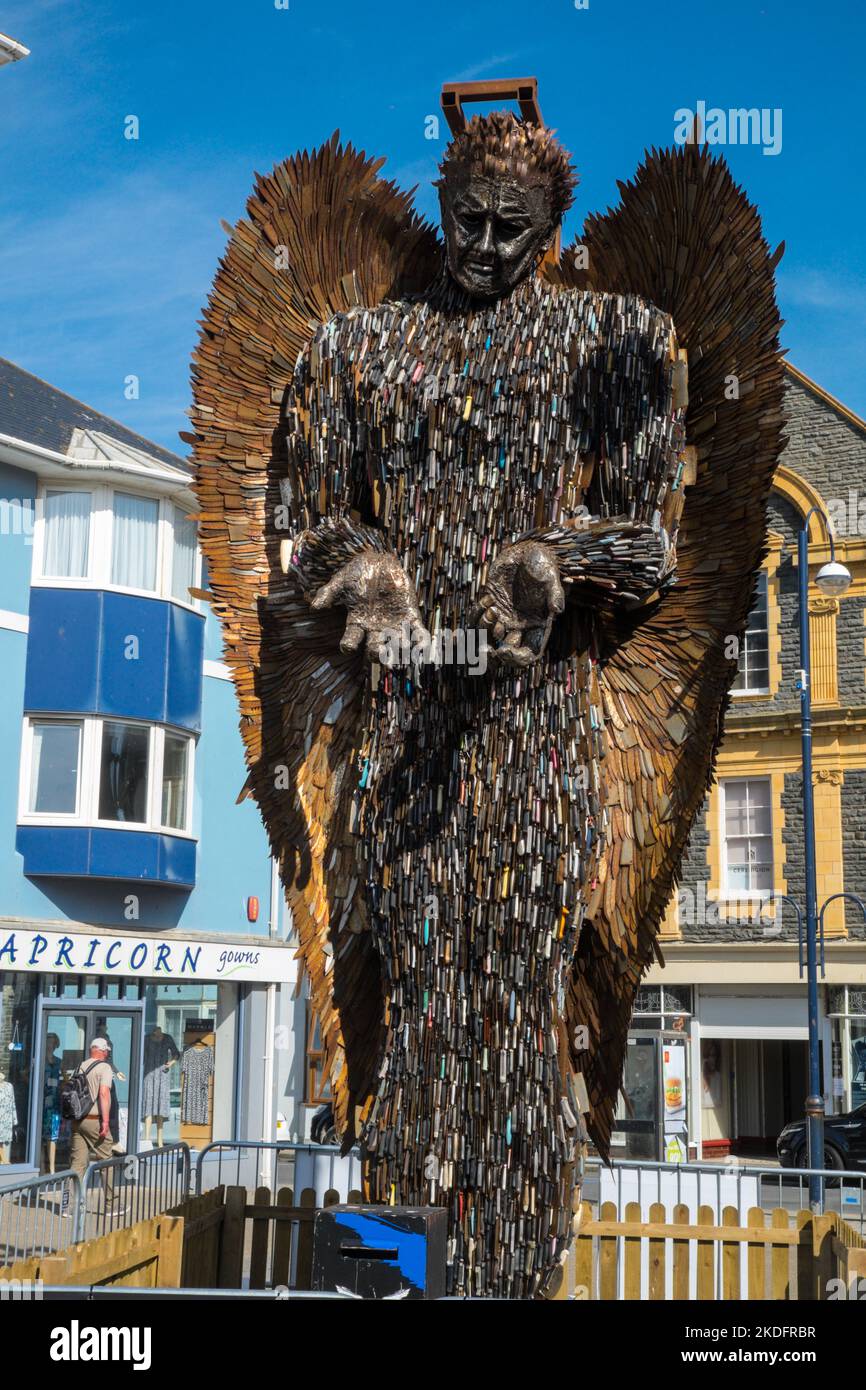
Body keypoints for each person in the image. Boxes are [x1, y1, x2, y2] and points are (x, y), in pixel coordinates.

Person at [69, 1038, 118, 1208]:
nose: (107, 1054)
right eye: (106, 1051)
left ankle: (68, 1206)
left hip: (77, 1121)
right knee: (106, 1161)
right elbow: (104, 1093)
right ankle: (111, 1205)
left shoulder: (80, 1066)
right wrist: (105, 1122)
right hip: (93, 1120)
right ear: (101, 1051)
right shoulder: (104, 1067)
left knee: (77, 1164)